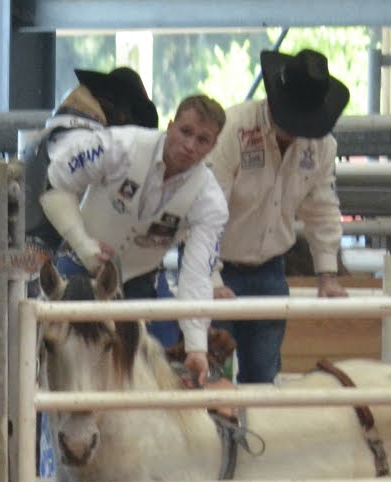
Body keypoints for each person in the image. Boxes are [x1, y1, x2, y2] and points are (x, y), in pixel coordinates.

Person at [41, 94, 230, 386]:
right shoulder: (119, 146)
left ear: (214, 146)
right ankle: (39, 416)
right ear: (170, 126)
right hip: (78, 267)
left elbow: (196, 274)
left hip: (143, 281)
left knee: (162, 370)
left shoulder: (210, 201)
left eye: (202, 140)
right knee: (52, 350)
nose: (190, 146)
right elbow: (55, 182)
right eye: (185, 132)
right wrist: (83, 243)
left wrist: (196, 346)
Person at [206, 49, 352, 384]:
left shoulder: (321, 146)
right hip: (218, 264)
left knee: (262, 374)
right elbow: (206, 210)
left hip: (270, 266)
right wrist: (211, 278)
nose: (297, 130)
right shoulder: (233, 129)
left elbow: (322, 207)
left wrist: (327, 274)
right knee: (211, 371)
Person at [23, 67, 158, 258]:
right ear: (118, 110)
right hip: (45, 260)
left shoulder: (54, 137)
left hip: (24, 253)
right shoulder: (83, 143)